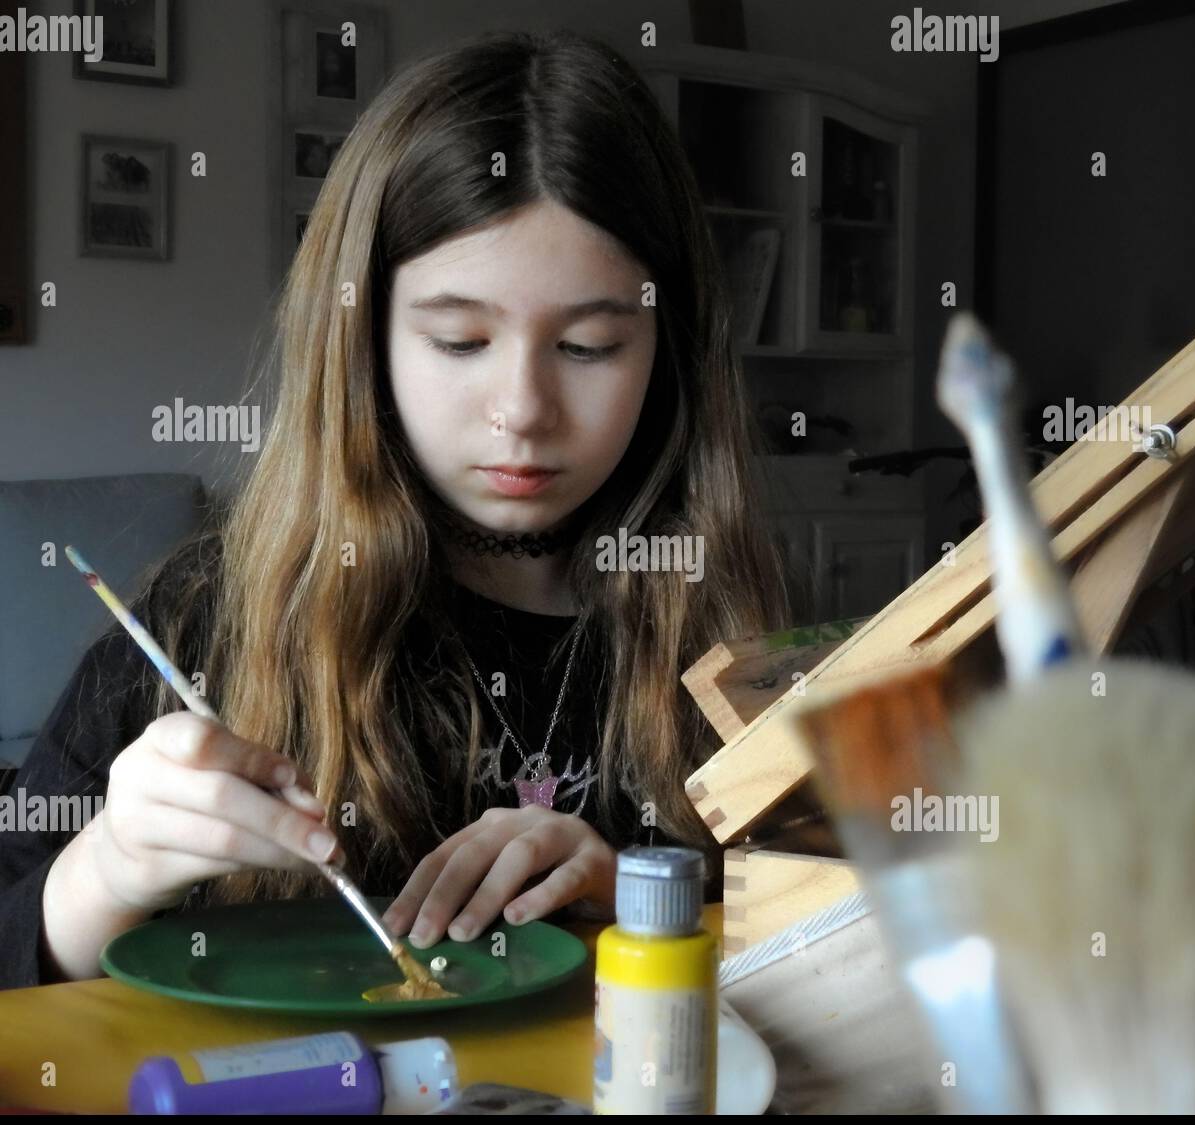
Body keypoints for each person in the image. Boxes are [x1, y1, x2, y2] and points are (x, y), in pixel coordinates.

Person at [0, 29, 790, 989]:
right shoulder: (204, 627)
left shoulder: (724, 631)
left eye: (587, 347)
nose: (522, 413)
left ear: (669, 351)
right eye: (458, 341)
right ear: (363, 341)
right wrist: (105, 872)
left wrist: (639, 901)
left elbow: (835, 953)